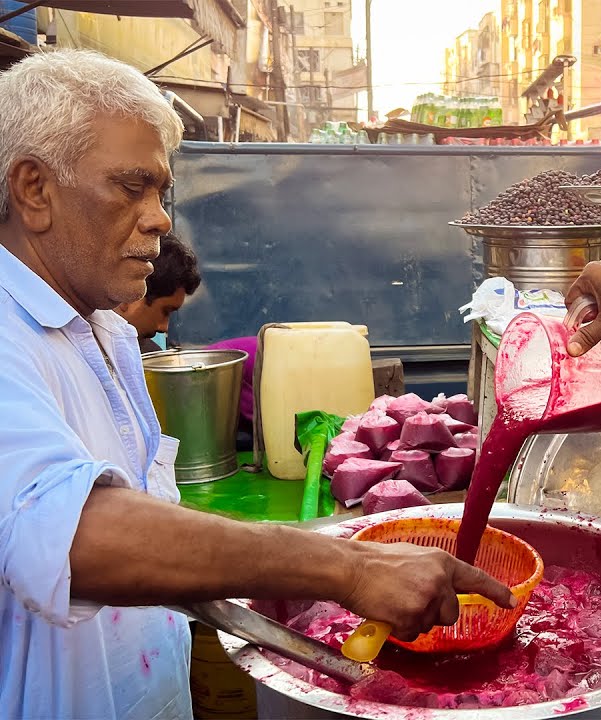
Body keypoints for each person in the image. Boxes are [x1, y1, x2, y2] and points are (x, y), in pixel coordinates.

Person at [0, 49, 516, 719]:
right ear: (35, 189)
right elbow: (75, 535)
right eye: (132, 187)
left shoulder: (99, 327)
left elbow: (145, 534)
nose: (159, 217)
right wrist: (349, 569)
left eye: (162, 191)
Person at [115, 232, 200, 354]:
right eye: (165, 311)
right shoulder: (82, 353)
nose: (163, 327)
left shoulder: (149, 356)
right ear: (128, 294)